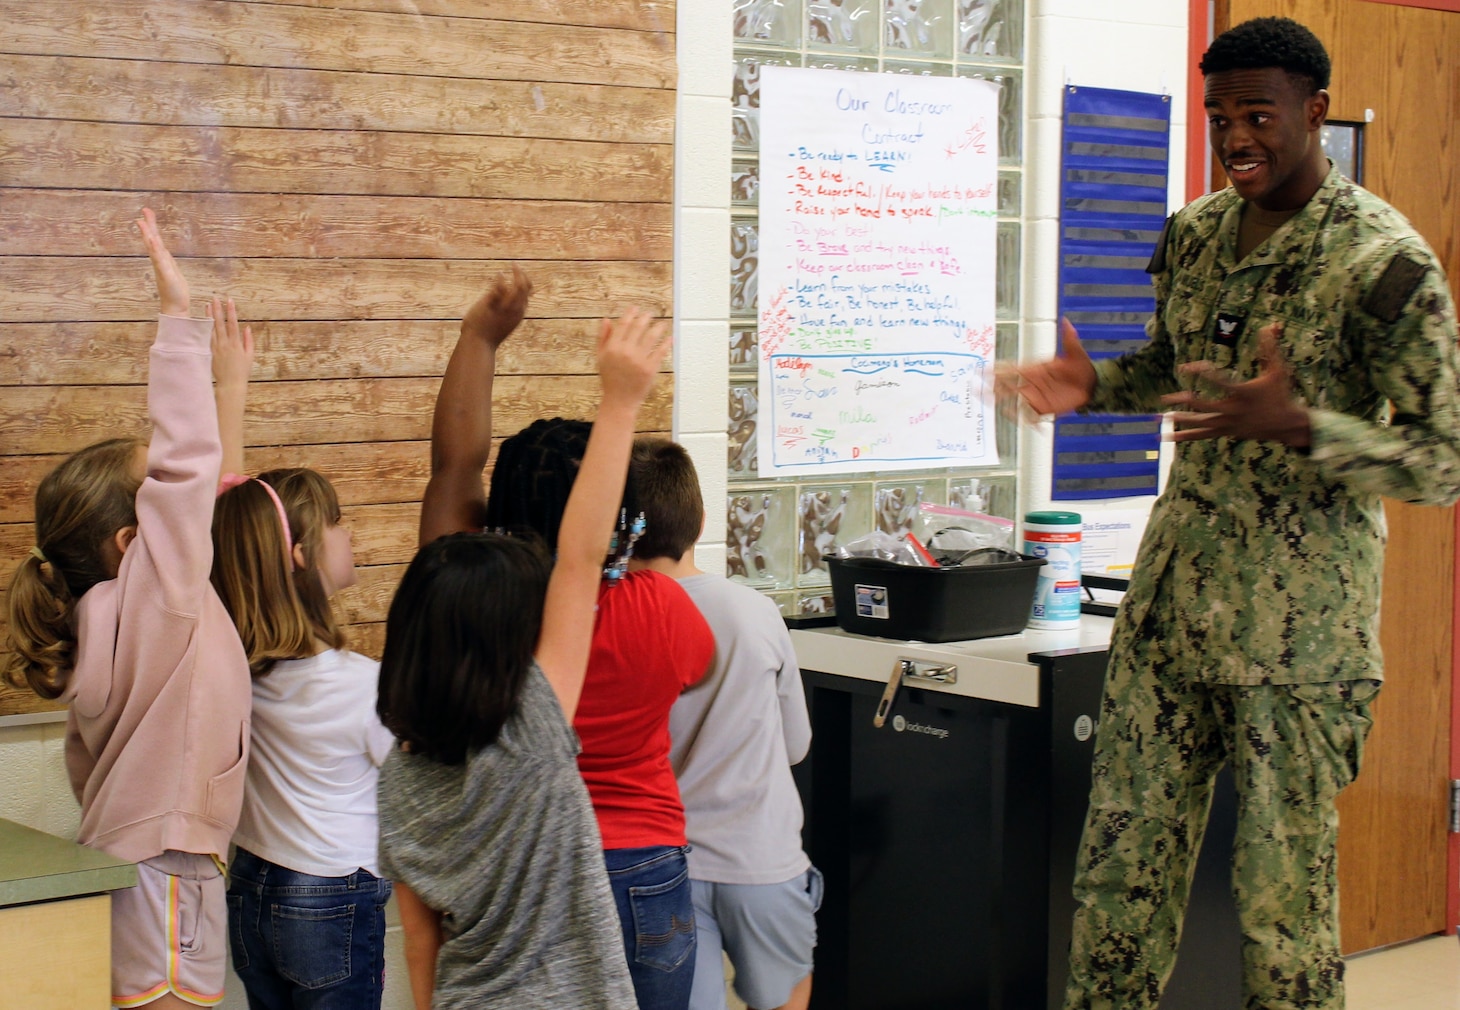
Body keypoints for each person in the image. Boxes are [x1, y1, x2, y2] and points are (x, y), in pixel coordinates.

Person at [998, 17, 1460, 1009]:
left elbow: (1440, 458)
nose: (1235, 138)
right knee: (1118, 879)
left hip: (1297, 639)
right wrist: (1096, 385)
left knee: (1278, 906)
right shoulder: (1196, 231)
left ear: (1314, 114)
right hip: (1171, 615)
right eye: (1219, 118)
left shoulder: (1383, 263)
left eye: (1258, 115)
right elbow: (1173, 373)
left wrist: (1305, 426)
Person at [423, 271, 715, 1010]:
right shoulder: (665, 607)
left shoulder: (467, 600)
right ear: (621, 511)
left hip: (516, 873)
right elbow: (596, 567)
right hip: (642, 869)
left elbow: (453, 466)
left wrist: (479, 340)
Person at [374, 306, 672, 1010]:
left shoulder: (395, 782)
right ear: (514, 644)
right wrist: (622, 398)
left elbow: (421, 941)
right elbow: (578, 559)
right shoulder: (530, 735)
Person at [3, 209, 254, 1009]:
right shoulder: (158, 599)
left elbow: (205, 494)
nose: (182, 505)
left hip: (137, 860)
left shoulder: (108, 617)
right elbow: (187, 470)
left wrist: (231, 390)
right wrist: (173, 318)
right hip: (170, 871)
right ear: (129, 540)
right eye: (159, 501)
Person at [629, 437, 821, 1010]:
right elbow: (796, 745)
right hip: (763, 861)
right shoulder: (755, 612)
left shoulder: (611, 620)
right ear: (702, 520)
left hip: (662, 868)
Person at [210, 465, 394, 1009]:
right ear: (299, 555)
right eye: (336, 522)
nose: (351, 532)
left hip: (249, 888)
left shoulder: (234, 675)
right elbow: (419, 783)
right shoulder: (363, 684)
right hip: (332, 894)